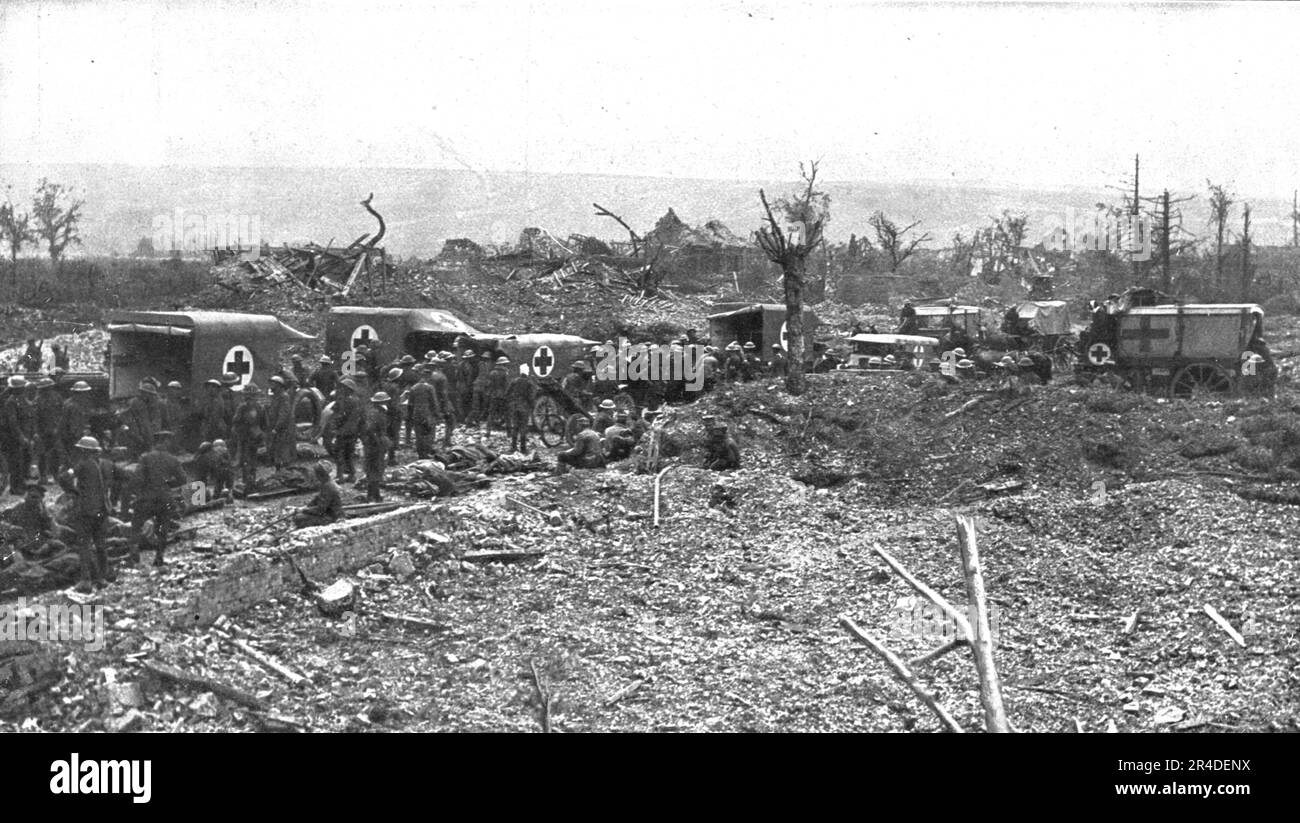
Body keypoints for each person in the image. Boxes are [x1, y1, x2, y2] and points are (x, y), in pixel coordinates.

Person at [65, 436, 116, 592]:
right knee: (101, 545)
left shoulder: (82, 464)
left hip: (86, 511)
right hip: (102, 510)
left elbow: (65, 477)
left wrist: (73, 491)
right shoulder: (104, 465)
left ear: (84, 451)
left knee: (84, 546)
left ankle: (86, 580)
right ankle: (102, 578)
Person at [130, 430, 188, 567]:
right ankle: (159, 557)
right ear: (165, 442)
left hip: (146, 498)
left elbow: (137, 479)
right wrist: (168, 485)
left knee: (136, 525)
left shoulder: (145, 458)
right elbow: (183, 479)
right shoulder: (172, 459)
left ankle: (134, 555)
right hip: (164, 498)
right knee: (163, 528)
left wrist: (141, 490)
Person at [3, 377, 39, 494]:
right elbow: (13, 423)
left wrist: (33, 434)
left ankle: (21, 482)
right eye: (22, 388)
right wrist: (21, 437)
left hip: (26, 436)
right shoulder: (11, 402)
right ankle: (15, 487)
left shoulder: (24, 400)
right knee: (16, 462)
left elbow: (30, 418)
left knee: (25, 461)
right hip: (14, 439)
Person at [231, 381, 268, 489]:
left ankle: (248, 482)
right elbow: (265, 425)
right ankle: (250, 481)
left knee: (247, 460)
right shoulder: (260, 407)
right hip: (252, 438)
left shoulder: (243, 407)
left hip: (247, 438)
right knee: (251, 461)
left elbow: (235, 421)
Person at [361, 392, 391, 502]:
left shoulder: (371, 412)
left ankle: (373, 494)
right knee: (376, 469)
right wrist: (378, 442)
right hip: (375, 445)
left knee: (372, 469)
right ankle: (374, 495)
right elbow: (370, 429)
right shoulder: (378, 414)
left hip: (370, 444)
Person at [294, 463, 343, 528]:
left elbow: (320, 510)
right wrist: (306, 506)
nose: (314, 476)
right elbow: (317, 498)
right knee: (299, 515)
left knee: (298, 518)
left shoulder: (329, 487)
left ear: (320, 475)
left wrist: (304, 510)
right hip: (329, 513)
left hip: (330, 517)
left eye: (315, 474)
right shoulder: (326, 484)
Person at [332, 378, 362, 483]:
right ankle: (352, 475)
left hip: (343, 431)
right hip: (353, 431)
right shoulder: (356, 400)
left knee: (339, 453)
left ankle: (340, 476)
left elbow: (338, 415)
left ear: (347, 389)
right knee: (349, 454)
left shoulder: (345, 400)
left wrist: (336, 428)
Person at [405, 369, 440, 459]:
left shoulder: (414, 388)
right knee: (429, 433)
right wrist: (437, 414)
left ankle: (421, 454)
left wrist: (409, 415)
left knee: (419, 434)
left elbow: (410, 404)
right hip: (427, 414)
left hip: (416, 414)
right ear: (428, 377)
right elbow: (434, 402)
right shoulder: (430, 387)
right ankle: (427, 451)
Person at [505, 364, 537, 454]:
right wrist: (532, 406)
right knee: (523, 427)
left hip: (514, 406)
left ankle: (513, 447)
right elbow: (531, 397)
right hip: (524, 407)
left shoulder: (514, 381)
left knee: (515, 427)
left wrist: (511, 402)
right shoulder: (529, 383)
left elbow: (507, 393)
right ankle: (523, 448)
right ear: (527, 372)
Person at [35, 377, 62, 482]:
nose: (47, 390)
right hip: (42, 431)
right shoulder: (38, 400)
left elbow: (61, 413)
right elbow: (35, 417)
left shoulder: (57, 397)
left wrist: (58, 427)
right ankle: (43, 476)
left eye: (49, 388)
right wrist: (37, 432)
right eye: (45, 388)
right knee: (42, 454)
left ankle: (55, 475)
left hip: (55, 430)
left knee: (55, 453)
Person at [267, 376, 296, 470]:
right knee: (277, 450)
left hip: (283, 429)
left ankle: (286, 472)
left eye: (273, 384)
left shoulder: (283, 396)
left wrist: (276, 428)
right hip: (278, 428)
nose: (271, 386)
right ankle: (279, 472)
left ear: (279, 385)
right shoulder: (276, 396)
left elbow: (284, 414)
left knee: (284, 451)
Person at [486, 356, 511, 434]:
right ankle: (509, 432)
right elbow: (507, 385)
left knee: (491, 414)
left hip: (493, 395)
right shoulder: (505, 373)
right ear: (503, 364)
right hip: (503, 396)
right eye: (505, 364)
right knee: (507, 414)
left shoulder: (492, 372)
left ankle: (488, 432)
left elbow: (489, 384)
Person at [199, 379, 227, 443]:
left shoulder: (219, 400)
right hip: (207, 424)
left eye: (213, 387)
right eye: (209, 387)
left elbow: (217, 415)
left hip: (217, 425)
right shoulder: (206, 400)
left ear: (217, 389)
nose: (211, 389)